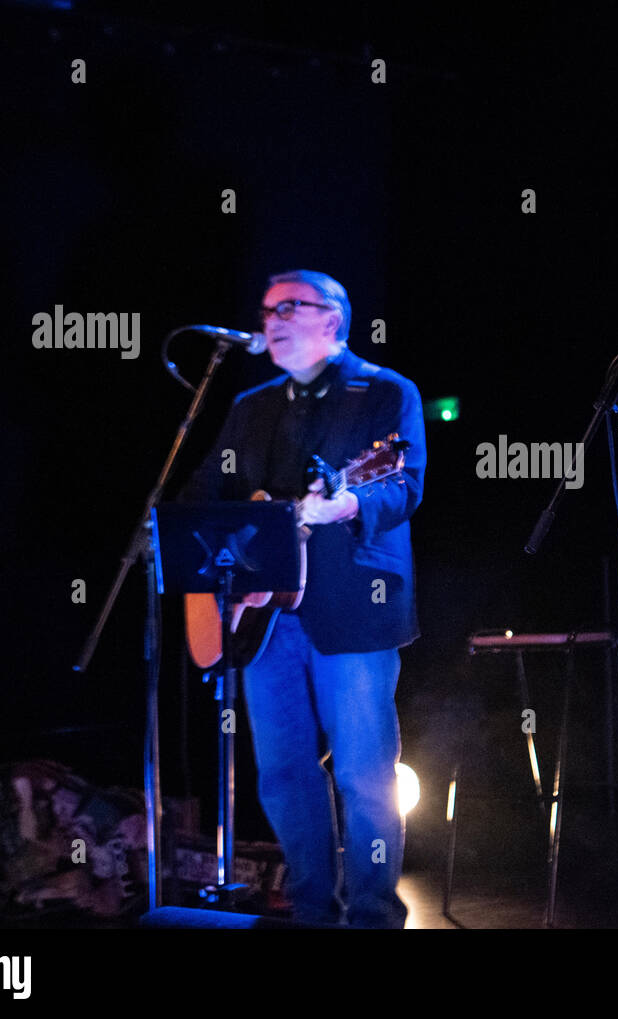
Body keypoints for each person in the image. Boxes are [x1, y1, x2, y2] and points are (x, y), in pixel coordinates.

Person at [180, 269, 425, 928]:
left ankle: (373, 915)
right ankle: (311, 912)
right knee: (283, 774)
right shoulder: (250, 404)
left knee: (364, 776)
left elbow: (403, 486)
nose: (272, 319)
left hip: (352, 607)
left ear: (333, 319)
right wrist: (232, 552)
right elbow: (205, 493)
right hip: (260, 619)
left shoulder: (385, 391)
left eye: (290, 306)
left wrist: (347, 500)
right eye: (266, 309)